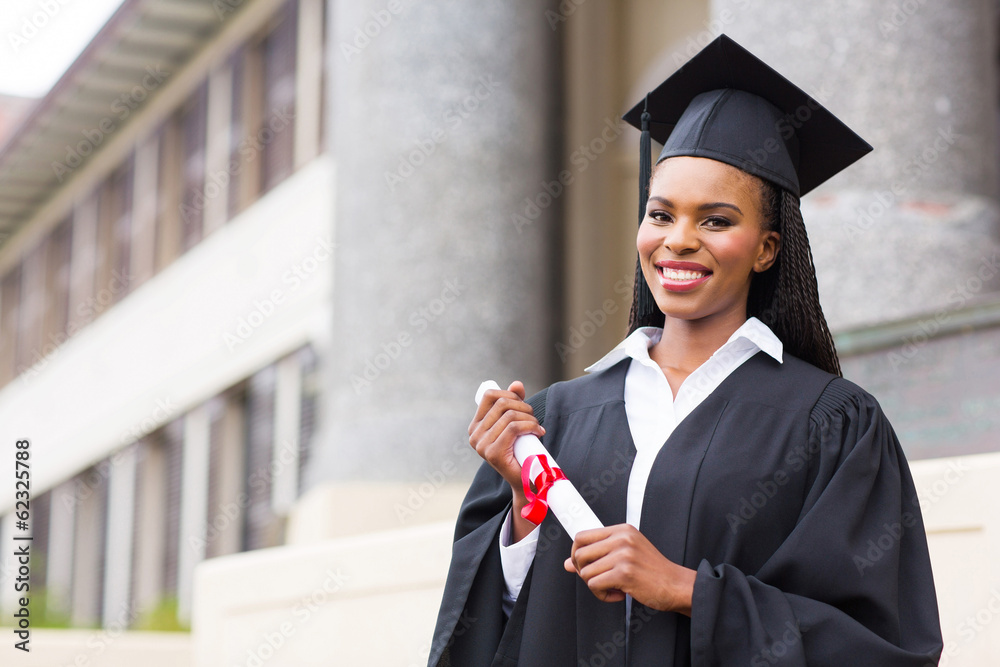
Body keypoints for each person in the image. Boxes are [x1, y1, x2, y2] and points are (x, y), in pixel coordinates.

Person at [427, 34, 943, 667]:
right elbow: (484, 632)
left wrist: (686, 589)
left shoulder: (832, 424)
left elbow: (880, 646)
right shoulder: (555, 419)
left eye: (717, 220)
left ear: (767, 248)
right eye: (661, 214)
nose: (679, 241)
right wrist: (526, 510)